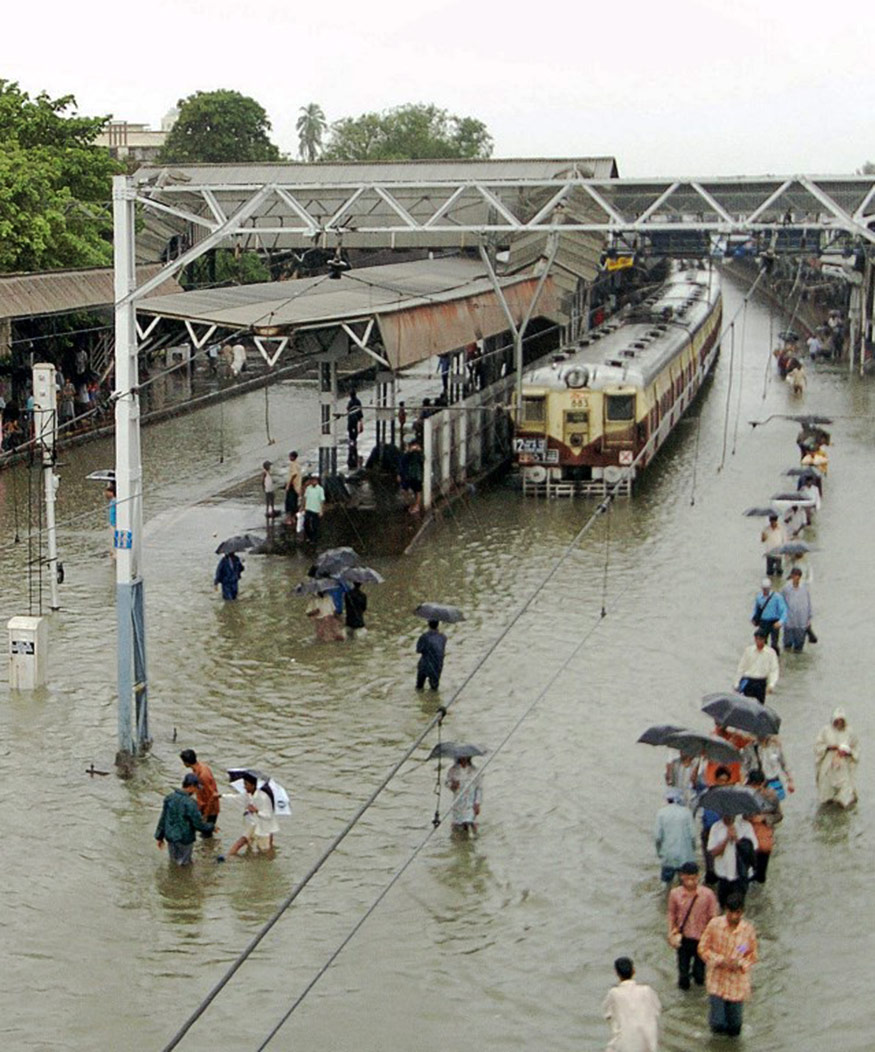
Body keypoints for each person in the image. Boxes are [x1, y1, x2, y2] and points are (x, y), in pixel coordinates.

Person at [697, 892, 758, 1038]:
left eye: (737, 913)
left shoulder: (748, 931)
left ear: (742, 912)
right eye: (731, 912)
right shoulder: (714, 925)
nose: (734, 917)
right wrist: (719, 960)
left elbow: (752, 954)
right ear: (725, 910)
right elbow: (702, 948)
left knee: (735, 1027)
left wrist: (740, 964)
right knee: (718, 1023)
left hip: (737, 984)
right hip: (717, 980)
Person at [667, 861, 719, 990]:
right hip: (683, 939)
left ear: (698, 876)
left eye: (694, 878)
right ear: (681, 876)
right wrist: (671, 932)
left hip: (702, 940)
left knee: (699, 976)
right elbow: (671, 914)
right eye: (687, 877)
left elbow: (713, 918)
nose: (690, 881)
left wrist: (712, 939)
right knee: (683, 977)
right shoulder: (675, 894)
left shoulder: (707, 895)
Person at [602, 956, 661, 1052]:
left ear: (617, 973)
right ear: (634, 971)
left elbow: (607, 1013)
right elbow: (657, 1009)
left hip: (625, 1043)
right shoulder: (647, 990)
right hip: (648, 1041)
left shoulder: (614, 993)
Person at [155, 774, 216, 866]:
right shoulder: (190, 803)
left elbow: (163, 818)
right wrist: (211, 826)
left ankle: (174, 877)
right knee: (185, 864)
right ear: (191, 786)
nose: (196, 792)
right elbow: (198, 824)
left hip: (171, 838)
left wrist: (159, 837)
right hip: (184, 839)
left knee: (174, 861)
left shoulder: (170, 798)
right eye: (196, 788)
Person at [707, 814, 756, 907]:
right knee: (722, 905)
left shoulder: (746, 826)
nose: (728, 816)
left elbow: (752, 851)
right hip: (723, 875)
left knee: (738, 907)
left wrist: (737, 840)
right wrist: (726, 840)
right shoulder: (716, 827)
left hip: (741, 875)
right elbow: (713, 852)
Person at [814, 707, 859, 808]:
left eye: (841, 721)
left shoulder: (849, 732)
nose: (839, 723)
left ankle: (843, 803)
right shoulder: (825, 731)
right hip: (828, 764)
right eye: (837, 721)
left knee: (844, 789)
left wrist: (848, 752)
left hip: (843, 765)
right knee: (826, 789)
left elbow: (856, 748)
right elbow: (818, 746)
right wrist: (830, 747)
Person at [225, 774, 279, 857]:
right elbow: (236, 798)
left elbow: (268, 815)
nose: (244, 787)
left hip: (264, 827)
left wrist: (256, 811)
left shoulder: (263, 798)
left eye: (246, 784)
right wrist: (221, 796)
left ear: (253, 785)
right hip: (253, 823)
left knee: (264, 850)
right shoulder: (248, 795)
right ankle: (227, 857)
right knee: (242, 840)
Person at [744, 770, 781, 884]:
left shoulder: (771, 796)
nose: (756, 788)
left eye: (758, 785)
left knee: (761, 874)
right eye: (753, 785)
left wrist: (764, 818)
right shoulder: (743, 796)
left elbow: (779, 815)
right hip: (748, 834)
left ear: (763, 783)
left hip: (764, 834)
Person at [654, 788, 697, 885]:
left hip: (668, 855)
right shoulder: (686, 812)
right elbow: (693, 836)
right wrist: (692, 850)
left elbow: (657, 837)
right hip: (686, 856)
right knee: (686, 884)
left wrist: (659, 852)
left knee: (666, 884)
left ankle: (665, 899)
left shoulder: (661, 813)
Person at [180, 749, 220, 835]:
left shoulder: (203, 775)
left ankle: (209, 847)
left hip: (210, 809)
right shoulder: (198, 768)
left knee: (206, 834)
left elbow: (213, 796)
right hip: (203, 805)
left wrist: (206, 814)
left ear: (186, 763)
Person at [735, 630, 779, 704]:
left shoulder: (771, 653)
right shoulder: (748, 651)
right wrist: (736, 683)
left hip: (761, 682)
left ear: (764, 639)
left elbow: (774, 670)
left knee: (760, 705)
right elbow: (741, 668)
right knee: (745, 704)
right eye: (757, 639)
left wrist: (771, 685)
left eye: (760, 639)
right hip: (748, 681)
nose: (758, 641)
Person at [445, 755, 482, 835]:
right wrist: (452, 785)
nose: (464, 759)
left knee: (469, 822)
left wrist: (477, 803)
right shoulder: (453, 770)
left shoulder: (475, 770)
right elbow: (447, 782)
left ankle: (474, 838)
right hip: (458, 801)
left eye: (466, 758)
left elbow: (479, 788)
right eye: (462, 758)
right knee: (457, 824)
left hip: (470, 801)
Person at [780, 566, 813, 652]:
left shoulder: (804, 588)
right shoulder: (786, 588)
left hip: (802, 621)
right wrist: (782, 617)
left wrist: (809, 618)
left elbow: (808, 603)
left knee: (799, 647)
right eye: (794, 576)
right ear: (792, 576)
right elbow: (781, 603)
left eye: (798, 576)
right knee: (787, 645)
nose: (796, 578)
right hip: (789, 621)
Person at [751, 578, 787, 653]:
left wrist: (780, 622)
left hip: (774, 622)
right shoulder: (759, 597)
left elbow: (784, 610)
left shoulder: (777, 597)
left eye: (766, 589)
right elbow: (756, 610)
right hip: (763, 622)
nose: (765, 591)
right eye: (764, 589)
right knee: (762, 644)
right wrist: (753, 619)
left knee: (774, 644)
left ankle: (775, 658)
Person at [415, 619, 447, 690]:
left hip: (424, 664)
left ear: (428, 624)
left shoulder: (424, 637)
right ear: (438, 625)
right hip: (437, 665)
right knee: (434, 688)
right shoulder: (443, 637)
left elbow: (418, 650)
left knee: (419, 687)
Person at [398, 440, 424, 514]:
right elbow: (403, 462)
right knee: (405, 490)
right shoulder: (407, 455)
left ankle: (416, 505)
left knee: (418, 491)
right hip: (408, 475)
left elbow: (422, 460)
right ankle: (411, 504)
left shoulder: (419, 454)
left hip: (416, 475)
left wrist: (418, 451)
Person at [303, 473, 325, 544]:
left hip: (316, 509)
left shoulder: (320, 489)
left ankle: (314, 539)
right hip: (308, 508)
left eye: (314, 480)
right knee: (306, 524)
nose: (313, 481)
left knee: (315, 525)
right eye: (312, 480)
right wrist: (303, 507)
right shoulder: (308, 488)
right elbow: (305, 498)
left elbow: (322, 500)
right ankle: (309, 537)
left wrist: (321, 510)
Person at [284, 451, 303, 525]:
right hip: (297, 486)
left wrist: (289, 484)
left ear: (292, 457)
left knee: (290, 503)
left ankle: (290, 519)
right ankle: (293, 519)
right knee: (294, 502)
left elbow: (294, 474)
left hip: (293, 486)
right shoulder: (298, 465)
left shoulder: (293, 464)